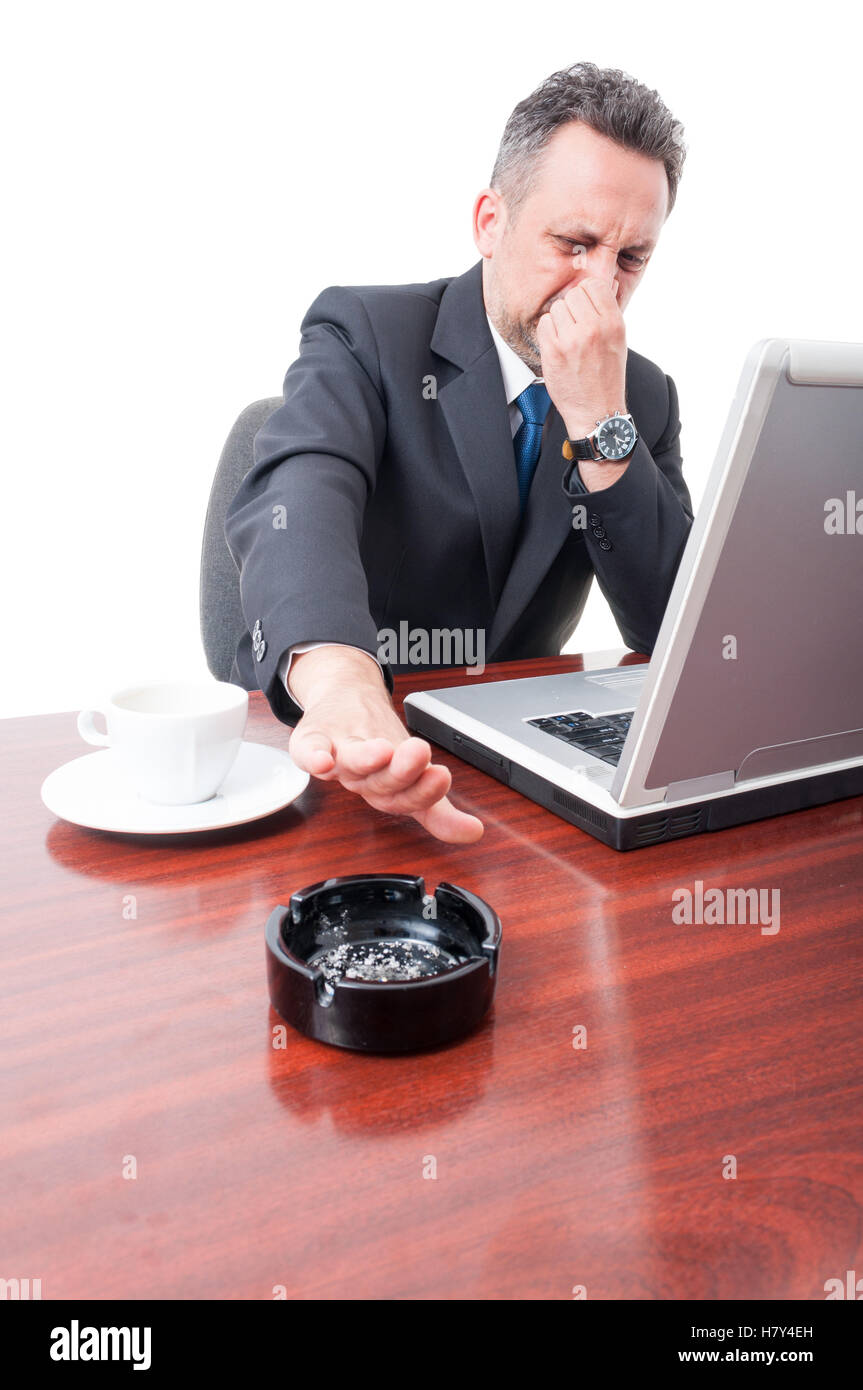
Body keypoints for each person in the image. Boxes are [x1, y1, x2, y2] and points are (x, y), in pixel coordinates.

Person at [225, 61, 693, 844]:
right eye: (573, 243)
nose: (599, 291)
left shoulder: (637, 397)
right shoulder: (367, 335)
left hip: (518, 768)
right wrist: (343, 680)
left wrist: (598, 425)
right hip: (343, 744)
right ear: (488, 222)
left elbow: (674, 634)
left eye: (630, 259)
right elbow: (299, 496)